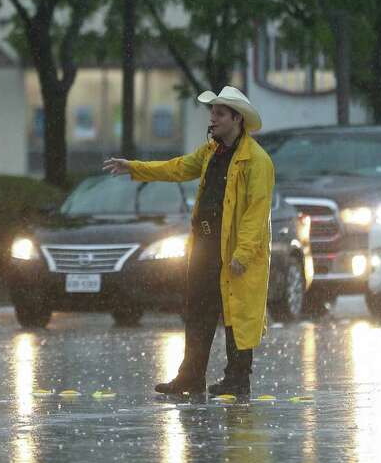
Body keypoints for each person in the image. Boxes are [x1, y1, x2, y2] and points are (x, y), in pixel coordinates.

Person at [102, 86, 274, 399]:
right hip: (205, 247)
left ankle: (238, 379)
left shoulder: (256, 161)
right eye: (213, 112)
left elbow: (256, 212)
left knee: (238, 313)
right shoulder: (210, 153)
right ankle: (190, 377)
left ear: (237, 118)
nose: (213, 118)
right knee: (197, 311)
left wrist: (243, 253)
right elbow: (177, 167)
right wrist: (134, 167)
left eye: (220, 113)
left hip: (234, 252)